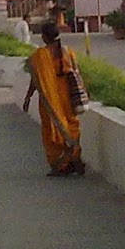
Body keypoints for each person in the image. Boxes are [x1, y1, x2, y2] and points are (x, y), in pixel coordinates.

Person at [21, 20, 86, 177]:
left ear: (44, 37)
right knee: (71, 126)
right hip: (68, 99)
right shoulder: (68, 52)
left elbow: (36, 80)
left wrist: (28, 97)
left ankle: (62, 165)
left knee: (52, 132)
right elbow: (77, 74)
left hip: (50, 102)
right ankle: (74, 156)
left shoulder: (40, 56)